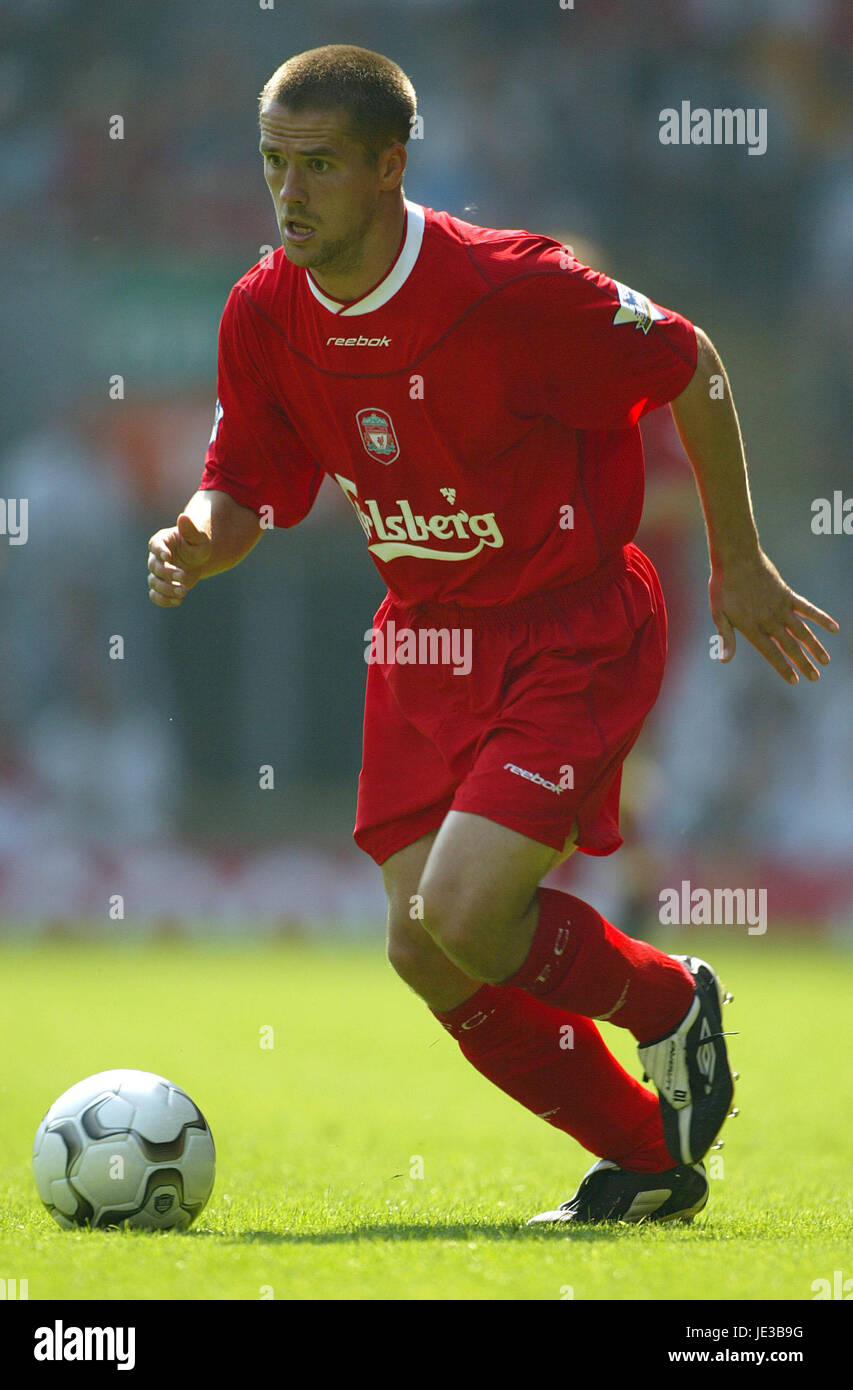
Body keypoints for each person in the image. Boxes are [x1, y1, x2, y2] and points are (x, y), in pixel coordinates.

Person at [147, 45, 838, 1224]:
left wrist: (738, 559)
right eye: (274, 162)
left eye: (317, 165)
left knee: (464, 915)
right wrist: (199, 536)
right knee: (423, 951)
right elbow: (246, 482)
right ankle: (647, 1159)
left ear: (387, 167)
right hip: (421, 642)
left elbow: (694, 365)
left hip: (566, 627)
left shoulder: (510, 287)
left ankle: (669, 1003)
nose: (288, 191)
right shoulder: (263, 306)